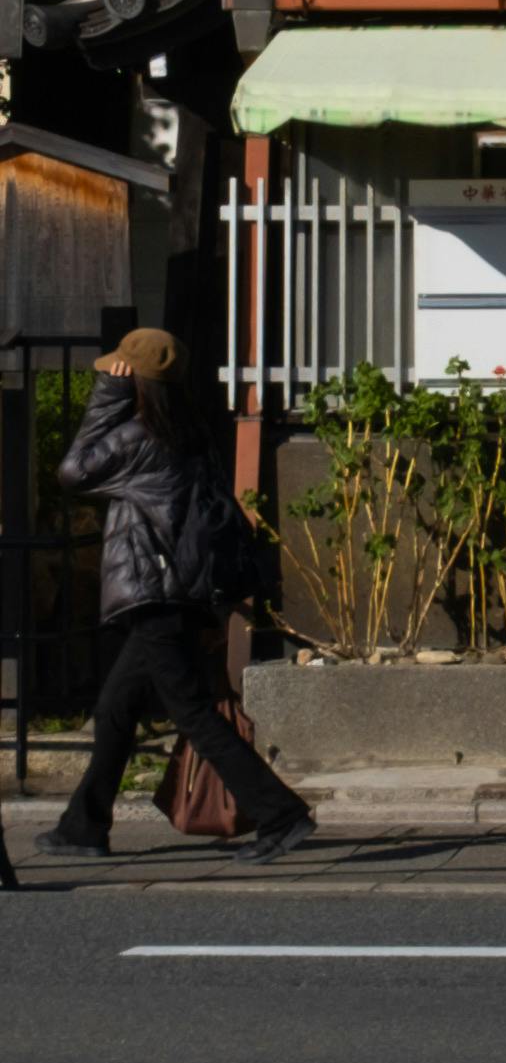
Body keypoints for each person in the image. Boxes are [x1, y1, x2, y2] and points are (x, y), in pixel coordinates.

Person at [41, 328, 314, 862]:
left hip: (154, 594)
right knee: (116, 708)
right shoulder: (189, 431)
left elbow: (72, 471)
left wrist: (105, 398)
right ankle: (83, 825)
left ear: (133, 381)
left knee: (193, 714)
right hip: (182, 592)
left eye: (117, 371)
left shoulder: (138, 436)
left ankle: (281, 814)